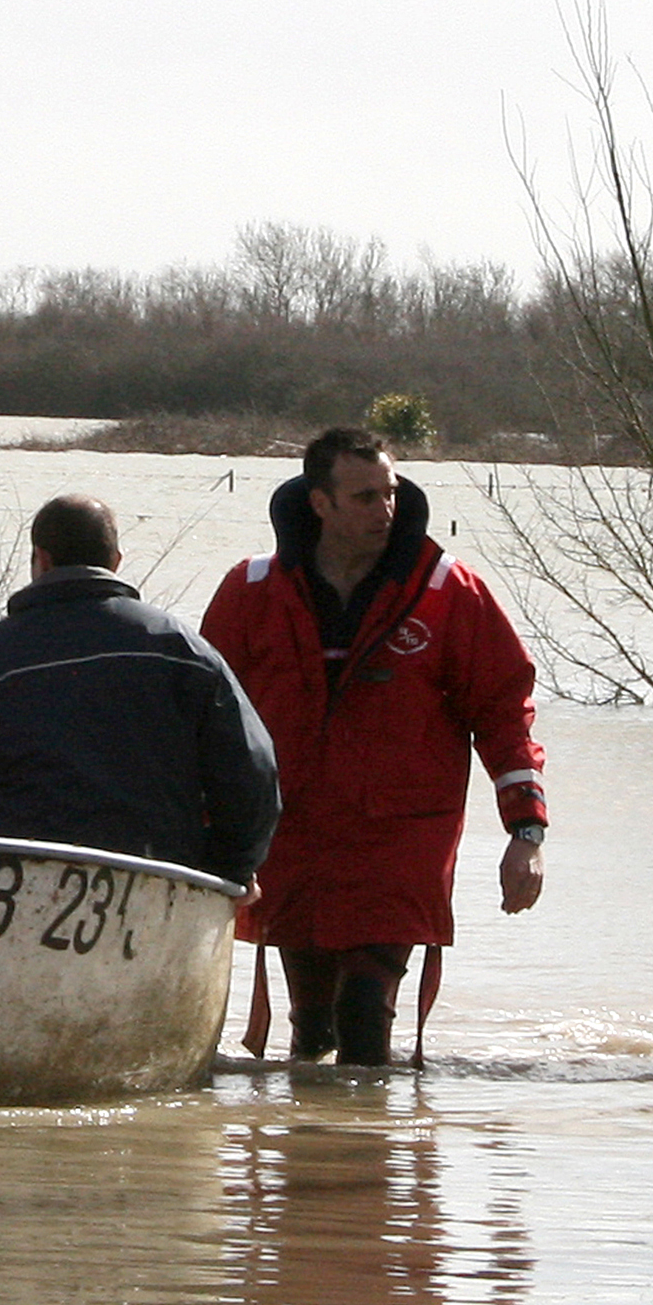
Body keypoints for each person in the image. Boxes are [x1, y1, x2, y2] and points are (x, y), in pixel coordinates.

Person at [202, 427, 548, 1066]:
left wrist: (525, 833)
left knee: (364, 1021)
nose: (384, 510)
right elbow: (207, 722)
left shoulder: (449, 592)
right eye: (364, 497)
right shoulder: (250, 591)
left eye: (390, 493)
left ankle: (372, 1156)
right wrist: (203, 830)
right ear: (319, 504)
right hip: (294, 840)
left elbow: (504, 709)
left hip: (399, 842)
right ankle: (326, 1153)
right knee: (311, 1033)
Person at [0, 494, 279, 885]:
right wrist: (226, 869)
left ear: (41, 560)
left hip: (23, 885)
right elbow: (252, 773)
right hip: (160, 878)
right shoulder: (180, 648)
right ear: (116, 561)